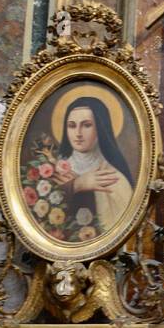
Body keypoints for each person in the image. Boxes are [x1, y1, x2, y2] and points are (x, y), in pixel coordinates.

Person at [53, 96, 134, 238]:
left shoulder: (113, 178)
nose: (78, 133)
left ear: (100, 129)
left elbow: (124, 233)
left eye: (86, 125)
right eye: (72, 125)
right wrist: (77, 185)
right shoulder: (53, 171)